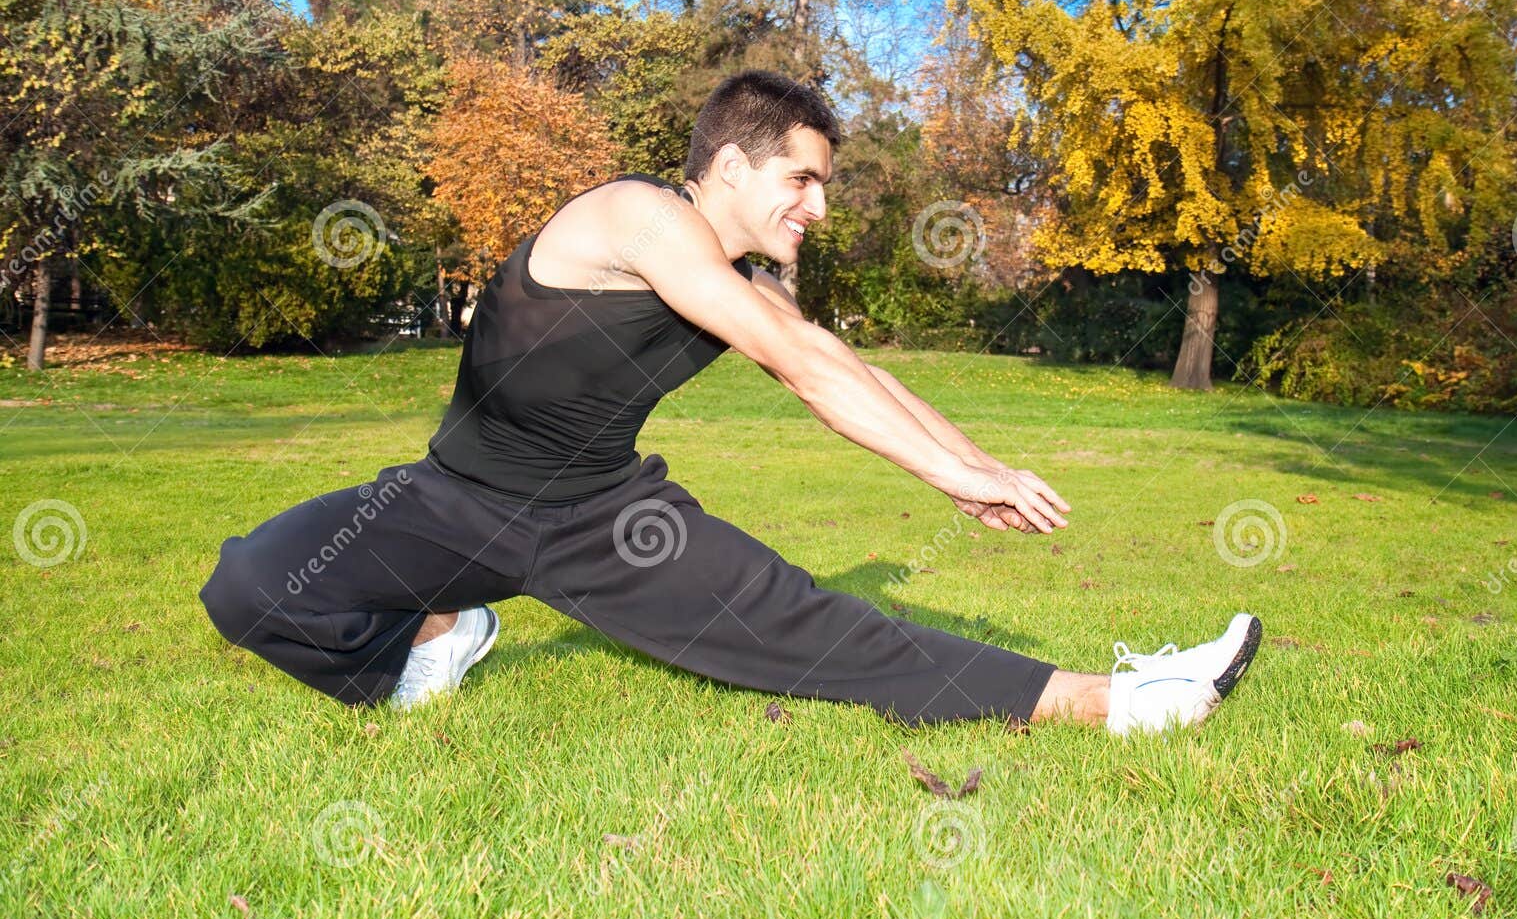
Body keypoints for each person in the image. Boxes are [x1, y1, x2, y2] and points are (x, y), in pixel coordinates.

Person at [199, 70, 1261, 735]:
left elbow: (843, 364)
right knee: (249, 585)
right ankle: (443, 626)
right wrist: (953, 474)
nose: (820, 205)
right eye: (802, 179)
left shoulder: (748, 284)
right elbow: (797, 366)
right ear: (730, 164)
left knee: (823, 635)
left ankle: (1116, 701)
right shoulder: (641, 217)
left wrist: (973, 467)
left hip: (605, 522)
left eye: (827, 185)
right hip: (451, 500)